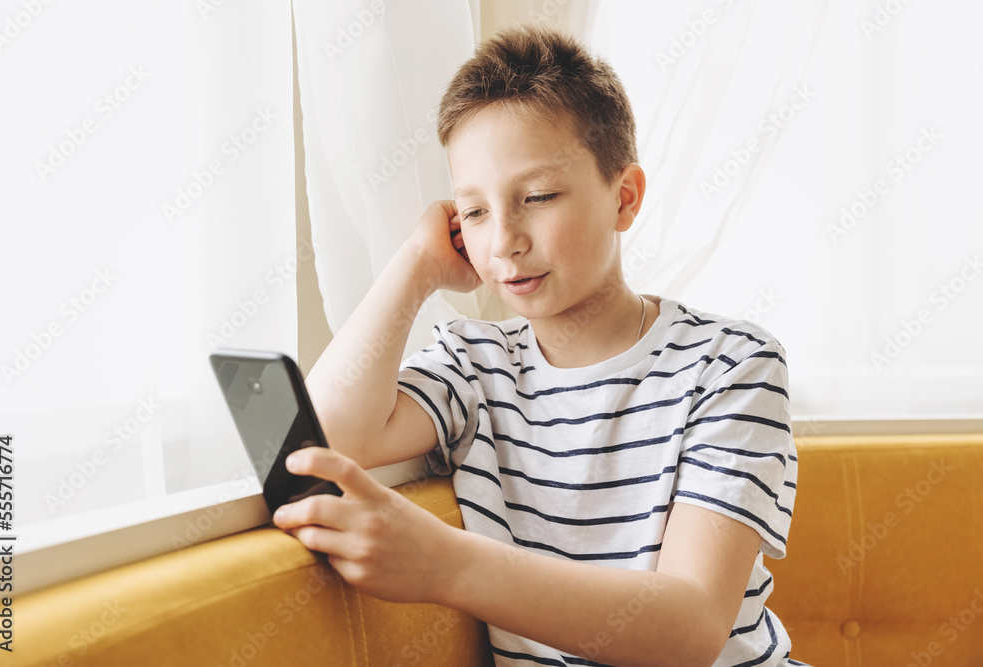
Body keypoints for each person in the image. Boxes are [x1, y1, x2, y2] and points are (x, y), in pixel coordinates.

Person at [274, 23, 807, 667]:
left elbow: (690, 629)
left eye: (538, 197)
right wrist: (416, 264)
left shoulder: (731, 364)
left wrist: (446, 565)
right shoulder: (475, 365)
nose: (504, 241)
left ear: (624, 198)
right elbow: (318, 444)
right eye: (474, 212)